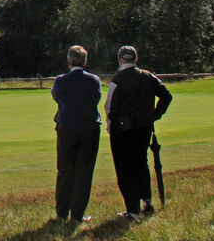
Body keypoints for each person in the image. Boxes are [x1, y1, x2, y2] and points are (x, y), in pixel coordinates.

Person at [105, 45, 172, 221]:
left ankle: (133, 210)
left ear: (120, 59)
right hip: (144, 127)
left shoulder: (118, 79)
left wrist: (110, 124)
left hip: (122, 129)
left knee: (125, 168)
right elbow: (167, 96)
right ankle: (147, 202)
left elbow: (109, 106)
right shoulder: (148, 76)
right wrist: (155, 115)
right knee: (141, 163)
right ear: (136, 59)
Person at [51, 45, 101, 224]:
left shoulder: (61, 80)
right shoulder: (94, 80)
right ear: (85, 62)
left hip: (67, 128)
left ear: (69, 61)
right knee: (84, 172)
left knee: (64, 170)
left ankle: (62, 213)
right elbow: (96, 99)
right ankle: (77, 214)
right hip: (89, 128)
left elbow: (56, 97)